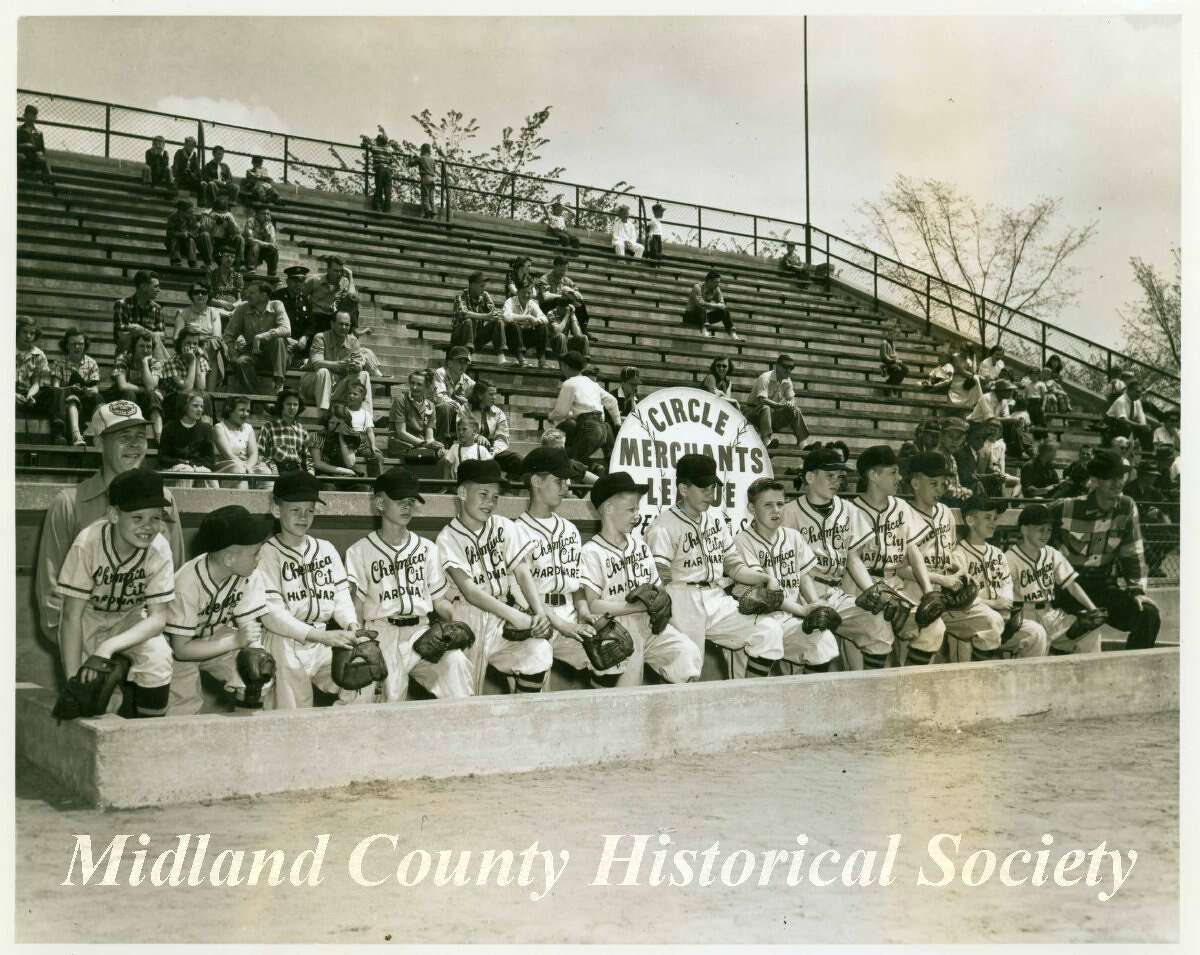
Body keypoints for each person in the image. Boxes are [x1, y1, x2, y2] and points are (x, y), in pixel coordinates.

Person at [36, 402, 186, 642]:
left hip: (146, 634)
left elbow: (176, 573)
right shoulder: (68, 503)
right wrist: (76, 647)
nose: (135, 444)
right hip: (85, 636)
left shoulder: (165, 498)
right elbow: (52, 591)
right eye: (124, 437)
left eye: (140, 436)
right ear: (98, 443)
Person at [645, 454, 784, 677]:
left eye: (713, 487)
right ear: (683, 489)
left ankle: (748, 695)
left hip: (715, 596)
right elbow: (659, 577)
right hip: (682, 598)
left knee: (768, 631)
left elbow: (734, 567)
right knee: (687, 668)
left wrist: (766, 578)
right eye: (704, 488)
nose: (710, 494)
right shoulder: (663, 526)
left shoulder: (715, 519)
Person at [54, 468, 176, 718]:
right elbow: (71, 616)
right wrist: (73, 682)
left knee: (159, 656)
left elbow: (157, 619)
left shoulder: (159, 548)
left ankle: (149, 735)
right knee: (90, 699)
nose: (148, 527)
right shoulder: (87, 543)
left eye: (156, 518)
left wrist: (108, 647)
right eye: (137, 517)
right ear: (113, 514)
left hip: (130, 619)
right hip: (88, 620)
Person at [345, 469, 473, 702]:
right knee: (390, 702)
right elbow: (356, 606)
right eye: (400, 500)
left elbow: (438, 600)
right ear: (380, 504)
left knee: (455, 664)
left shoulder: (427, 549)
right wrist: (359, 641)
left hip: (422, 632)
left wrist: (454, 619)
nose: (407, 506)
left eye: (411, 501)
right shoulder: (358, 551)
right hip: (382, 633)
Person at [435, 459, 554, 694]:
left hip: (500, 618)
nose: (490, 502)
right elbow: (471, 592)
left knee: (537, 651)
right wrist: (515, 615)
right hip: (467, 619)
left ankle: (520, 717)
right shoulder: (447, 538)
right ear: (461, 492)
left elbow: (521, 570)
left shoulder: (503, 526)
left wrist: (538, 611)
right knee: (469, 696)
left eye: (495, 497)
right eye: (483, 494)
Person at [577, 472, 703, 686]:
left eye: (637, 508)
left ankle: (670, 715)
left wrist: (665, 607)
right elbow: (593, 604)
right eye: (631, 509)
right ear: (608, 509)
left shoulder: (640, 546)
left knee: (687, 653)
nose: (637, 515)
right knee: (629, 692)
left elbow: (657, 589)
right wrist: (634, 607)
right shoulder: (591, 551)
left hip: (650, 625)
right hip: (617, 630)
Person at [258, 471, 366, 709]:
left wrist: (352, 625)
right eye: (295, 510)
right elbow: (272, 616)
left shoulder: (325, 549)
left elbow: (340, 596)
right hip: (285, 642)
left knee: (360, 683)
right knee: (294, 715)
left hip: (324, 639)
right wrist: (324, 636)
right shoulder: (267, 553)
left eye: (309, 510)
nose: (303, 517)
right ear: (277, 509)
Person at [164, 504, 277, 715]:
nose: (258, 558)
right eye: (254, 553)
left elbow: (248, 627)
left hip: (215, 635)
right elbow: (181, 649)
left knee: (254, 671)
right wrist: (234, 641)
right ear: (229, 559)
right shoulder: (186, 584)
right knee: (184, 706)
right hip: (174, 645)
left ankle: (247, 732)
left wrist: (255, 653)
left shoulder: (248, 574)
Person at [1048, 450, 1160, 650]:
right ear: (1095, 480)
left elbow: (1133, 553)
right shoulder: (1065, 509)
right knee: (1082, 626)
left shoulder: (1126, 507)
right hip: (1068, 589)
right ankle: (1057, 651)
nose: (1117, 483)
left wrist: (1137, 590)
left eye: (1121, 477)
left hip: (1103, 585)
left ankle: (1135, 672)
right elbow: (1033, 530)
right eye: (1110, 478)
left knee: (1148, 613)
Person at [509, 447, 603, 686]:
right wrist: (563, 625)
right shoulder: (514, 531)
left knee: (610, 654)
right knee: (537, 681)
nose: (566, 487)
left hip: (569, 613)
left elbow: (578, 583)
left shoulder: (570, 529)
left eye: (567, 481)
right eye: (559, 481)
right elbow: (521, 593)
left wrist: (583, 613)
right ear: (536, 481)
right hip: (535, 617)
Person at [844, 446, 944, 668]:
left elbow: (912, 549)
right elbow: (852, 559)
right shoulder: (850, 510)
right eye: (893, 472)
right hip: (860, 586)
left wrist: (928, 592)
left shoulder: (900, 506)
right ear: (873, 475)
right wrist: (874, 593)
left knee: (933, 626)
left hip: (894, 583)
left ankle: (909, 685)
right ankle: (871, 691)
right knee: (876, 634)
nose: (899, 478)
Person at [901, 450, 1003, 664]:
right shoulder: (902, 515)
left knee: (992, 623)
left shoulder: (945, 512)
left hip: (949, 595)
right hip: (915, 596)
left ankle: (974, 686)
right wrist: (939, 579)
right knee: (932, 633)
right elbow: (900, 568)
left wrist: (960, 568)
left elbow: (952, 549)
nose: (939, 489)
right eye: (933, 483)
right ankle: (914, 690)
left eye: (943, 484)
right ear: (916, 483)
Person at [731, 477, 839, 675]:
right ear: (752, 508)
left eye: (780, 504)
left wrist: (815, 605)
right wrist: (804, 610)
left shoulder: (792, 536)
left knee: (823, 642)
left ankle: (806, 703)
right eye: (768, 505)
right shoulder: (742, 541)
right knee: (746, 690)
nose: (776, 510)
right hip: (753, 621)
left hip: (787, 617)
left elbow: (803, 575)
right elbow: (768, 593)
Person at [950, 495, 1047, 661]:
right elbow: (960, 599)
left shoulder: (998, 554)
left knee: (1036, 633)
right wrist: (992, 604)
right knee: (988, 625)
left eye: (995, 518)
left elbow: (1006, 592)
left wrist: (1002, 607)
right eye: (987, 517)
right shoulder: (957, 555)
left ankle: (1019, 684)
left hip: (1001, 620)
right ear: (970, 520)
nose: (994, 522)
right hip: (970, 621)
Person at [1007, 504, 1106, 655]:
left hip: (1051, 615)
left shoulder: (1052, 554)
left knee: (1091, 630)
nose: (1046, 534)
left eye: (1049, 530)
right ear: (1024, 529)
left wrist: (1093, 609)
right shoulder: (1009, 559)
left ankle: (1087, 675)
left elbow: (1072, 585)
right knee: (1036, 638)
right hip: (1024, 616)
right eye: (1041, 529)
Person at [547, 350, 622, 471]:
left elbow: (561, 412)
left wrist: (550, 416)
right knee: (577, 457)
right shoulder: (592, 383)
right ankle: (595, 468)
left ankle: (594, 468)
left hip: (588, 426)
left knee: (572, 461)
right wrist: (617, 423)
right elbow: (612, 401)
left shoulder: (569, 384)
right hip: (604, 428)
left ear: (566, 366)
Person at [300, 310, 375, 424]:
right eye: (341, 324)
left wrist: (357, 366)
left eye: (347, 325)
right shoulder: (321, 337)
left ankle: (366, 419)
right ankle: (324, 417)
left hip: (337, 385)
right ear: (332, 324)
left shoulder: (353, 341)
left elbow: (358, 363)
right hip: (313, 383)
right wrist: (341, 364)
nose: (344, 327)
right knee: (323, 371)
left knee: (364, 374)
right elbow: (317, 363)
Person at [223, 277, 291, 395]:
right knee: (240, 362)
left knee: (279, 340)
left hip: (277, 356)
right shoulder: (242, 309)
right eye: (247, 292)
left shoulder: (277, 305)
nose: (247, 295)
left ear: (264, 295)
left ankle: (279, 384)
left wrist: (261, 336)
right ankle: (256, 395)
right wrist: (233, 354)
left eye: (252, 293)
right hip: (254, 353)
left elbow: (286, 329)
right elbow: (228, 335)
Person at [46, 327, 102, 447]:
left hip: (86, 399)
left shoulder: (91, 363)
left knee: (98, 397)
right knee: (71, 397)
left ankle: (99, 434)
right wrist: (70, 388)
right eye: (73, 344)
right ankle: (76, 435)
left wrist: (88, 390)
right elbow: (55, 387)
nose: (77, 347)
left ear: (85, 344)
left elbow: (95, 388)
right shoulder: (59, 363)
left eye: (80, 344)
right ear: (67, 345)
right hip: (66, 401)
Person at [745, 354, 810, 449]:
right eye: (785, 367)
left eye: (791, 367)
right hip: (753, 414)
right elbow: (762, 400)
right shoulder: (765, 377)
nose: (788, 370)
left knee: (796, 410)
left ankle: (803, 444)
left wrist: (790, 405)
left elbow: (791, 399)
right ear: (777, 366)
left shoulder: (787, 381)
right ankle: (766, 441)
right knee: (765, 407)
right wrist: (779, 405)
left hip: (770, 417)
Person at [109, 330, 164, 439]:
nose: (145, 350)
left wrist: (144, 363)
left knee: (153, 396)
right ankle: (128, 433)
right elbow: (122, 385)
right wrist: (144, 390)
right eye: (141, 346)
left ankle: (159, 437)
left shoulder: (154, 363)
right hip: (124, 400)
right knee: (130, 393)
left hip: (145, 402)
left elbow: (151, 386)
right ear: (134, 347)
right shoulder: (123, 359)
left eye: (149, 347)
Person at [323, 379, 383, 478]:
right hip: (346, 440)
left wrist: (373, 445)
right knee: (343, 454)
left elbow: (369, 431)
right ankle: (355, 472)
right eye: (349, 394)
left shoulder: (365, 414)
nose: (351, 396)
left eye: (355, 394)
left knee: (377, 456)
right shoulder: (343, 410)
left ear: (362, 397)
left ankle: (376, 482)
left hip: (361, 443)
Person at [159, 391, 219, 489]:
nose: (199, 410)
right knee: (186, 471)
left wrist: (196, 465)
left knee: (205, 473)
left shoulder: (206, 429)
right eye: (195, 406)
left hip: (198, 467)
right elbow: (163, 458)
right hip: (174, 468)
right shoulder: (169, 428)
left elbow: (210, 459)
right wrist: (184, 463)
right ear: (185, 406)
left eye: (201, 406)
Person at [173, 282, 226, 390]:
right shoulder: (183, 313)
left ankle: (209, 393)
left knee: (213, 345)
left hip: (210, 350)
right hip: (189, 349)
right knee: (203, 347)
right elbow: (176, 337)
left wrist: (196, 336)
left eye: (204, 292)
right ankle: (203, 390)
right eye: (196, 292)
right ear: (192, 295)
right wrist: (196, 339)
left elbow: (217, 337)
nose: (200, 295)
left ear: (208, 295)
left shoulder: (214, 313)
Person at [467, 380, 525, 479]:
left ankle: (508, 488)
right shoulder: (465, 409)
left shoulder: (499, 413)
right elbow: (461, 430)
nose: (494, 397)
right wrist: (476, 436)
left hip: (492, 451)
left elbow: (502, 437)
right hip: (470, 448)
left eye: (495, 394)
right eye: (491, 394)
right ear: (480, 395)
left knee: (518, 459)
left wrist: (494, 451)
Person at [214, 395, 272, 490]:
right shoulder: (219, 428)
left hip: (246, 465)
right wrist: (245, 468)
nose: (245, 414)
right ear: (230, 410)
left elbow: (254, 454)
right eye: (241, 410)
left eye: (248, 411)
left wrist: (248, 467)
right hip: (227, 465)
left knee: (265, 472)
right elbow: (228, 454)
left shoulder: (248, 428)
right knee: (239, 471)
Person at [159, 326, 213, 423]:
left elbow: (201, 387)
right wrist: (192, 362)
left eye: (195, 344)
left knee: (205, 396)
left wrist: (196, 361)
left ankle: (207, 428)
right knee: (185, 397)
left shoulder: (201, 360)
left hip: (195, 400)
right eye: (188, 343)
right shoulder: (173, 362)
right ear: (180, 344)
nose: (192, 346)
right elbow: (186, 389)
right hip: (174, 401)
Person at [257, 388, 315, 476]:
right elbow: (260, 453)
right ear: (282, 405)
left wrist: (311, 473)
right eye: (288, 404)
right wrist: (272, 467)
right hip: (278, 469)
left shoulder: (301, 430)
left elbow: (307, 457)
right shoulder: (269, 427)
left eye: (295, 404)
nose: (292, 407)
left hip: (297, 471)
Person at [451, 271, 507, 359]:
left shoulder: (484, 295)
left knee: (498, 322)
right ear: (472, 285)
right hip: (459, 338)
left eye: (484, 286)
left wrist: (496, 316)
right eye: (481, 286)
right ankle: (467, 355)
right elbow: (464, 313)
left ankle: (501, 357)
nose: (483, 289)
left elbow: (493, 312)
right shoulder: (461, 295)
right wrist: (486, 316)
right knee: (468, 320)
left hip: (476, 337)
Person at [112, 269, 166, 357]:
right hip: (126, 355)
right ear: (143, 286)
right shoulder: (122, 305)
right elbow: (121, 337)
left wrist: (142, 330)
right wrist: (151, 334)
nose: (158, 290)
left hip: (150, 355)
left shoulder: (157, 308)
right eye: (155, 286)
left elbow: (162, 338)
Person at [389, 371, 443, 459]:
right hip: (400, 445)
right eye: (412, 383)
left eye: (419, 384)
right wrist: (424, 444)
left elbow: (429, 436)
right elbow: (401, 432)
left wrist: (433, 444)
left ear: (426, 387)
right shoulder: (401, 401)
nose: (414, 387)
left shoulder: (430, 405)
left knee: (443, 454)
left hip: (421, 446)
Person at [304, 255, 360, 338]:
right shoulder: (315, 280)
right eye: (335, 271)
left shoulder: (345, 282)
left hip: (334, 318)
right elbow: (301, 296)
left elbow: (353, 298)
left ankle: (354, 331)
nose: (339, 274)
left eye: (341, 271)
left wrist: (350, 276)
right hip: (317, 317)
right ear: (328, 269)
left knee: (352, 304)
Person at [535, 255, 590, 338]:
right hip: (547, 307)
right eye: (561, 270)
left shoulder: (567, 280)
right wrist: (562, 295)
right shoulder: (545, 278)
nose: (563, 273)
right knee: (560, 299)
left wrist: (571, 291)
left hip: (562, 307)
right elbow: (545, 296)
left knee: (581, 304)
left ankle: (583, 329)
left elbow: (579, 297)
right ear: (555, 266)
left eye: (565, 270)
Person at [430, 345, 476, 443]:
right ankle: (441, 441)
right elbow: (439, 397)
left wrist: (466, 402)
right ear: (450, 363)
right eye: (460, 362)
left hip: (455, 415)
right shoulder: (440, 373)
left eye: (466, 363)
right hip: (433, 413)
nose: (463, 366)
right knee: (445, 406)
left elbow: (475, 403)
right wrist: (458, 404)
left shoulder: (469, 382)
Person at [503, 276, 552, 368]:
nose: (526, 295)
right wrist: (528, 317)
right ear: (517, 292)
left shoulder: (532, 303)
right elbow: (507, 317)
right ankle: (522, 360)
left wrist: (537, 321)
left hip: (526, 337)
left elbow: (544, 319)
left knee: (543, 327)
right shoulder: (510, 301)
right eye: (523, 293)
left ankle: (542, 361)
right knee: (513, 326)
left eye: (529, 293)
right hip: (512, 338)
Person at [15, 315, 53, 426]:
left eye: (32, 333)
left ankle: (58, 431)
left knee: (53, 392)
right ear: (17, 331)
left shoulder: (38, 355)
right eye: (24, 332)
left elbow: (36, 383)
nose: (28, 336)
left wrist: (30, 395)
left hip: (27, 392)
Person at [274, 265, 314, 365]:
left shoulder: (306, 301)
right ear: (287, 282)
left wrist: (305, 337)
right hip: (282, 341)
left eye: (301, 282)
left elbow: (311, 324)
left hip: (299, 344)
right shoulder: (277, 297)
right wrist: (287, 339)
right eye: (295, 281)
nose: (298, 285)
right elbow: (271, 321)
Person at [683, 270, 738, 339]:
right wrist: (715, 305)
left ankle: (732, 334)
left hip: (703, 317)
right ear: (709, 281)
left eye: (718, 282)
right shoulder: (697, 287)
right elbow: (700, 303)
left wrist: (719, 306)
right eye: (716, 282)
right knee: (701, 308)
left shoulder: (716, 289)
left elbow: (722, 304)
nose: (718, 284)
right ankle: (704, 332)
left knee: (724, 311)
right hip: (690, 316)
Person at [438, 414, 493, 480]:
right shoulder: (455, 448)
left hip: (476, 486)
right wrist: (445, 485)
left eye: (464, 429)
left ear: (474, 432)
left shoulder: (481, 450)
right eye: (458, 430)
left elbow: (490, 467)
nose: (460, 432)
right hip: (460, 486)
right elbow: (447, 466)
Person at [1105, 380, 1153, 451]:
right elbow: (1122, 419)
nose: (1139, 395)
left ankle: (1147, 456)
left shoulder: (1137, 401)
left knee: (1147, 431)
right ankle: (1123, 449)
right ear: (1129, 390)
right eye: (1137, 392)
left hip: (1127, 423)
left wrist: (1144, 425)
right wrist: (1138, 425)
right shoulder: (1121, 401)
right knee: (1125, 427)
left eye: (1140, 393)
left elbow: (1141, 415)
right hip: (1112, 424)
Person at [165, 198, 211, 269]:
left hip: (187, 243)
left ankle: (192, 262)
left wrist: (190, 233)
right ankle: (176, 261)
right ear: (181, 211)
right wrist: (181, 234)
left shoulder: (192, 218)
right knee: (174, 239)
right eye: (189, 212)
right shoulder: (172, 217)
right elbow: (169, 233)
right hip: (175, 243)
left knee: (192, 240)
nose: (192, 213)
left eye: (192, 211)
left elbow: (195, 231)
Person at [202, 195, 245, 268]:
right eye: (219, 212)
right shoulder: (207, 213)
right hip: (211, 243)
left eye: (223, 212)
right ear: (214, 209)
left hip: (222, 246)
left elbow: (237, 232)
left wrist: (230, 223)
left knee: (239, 238)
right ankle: (208, 262)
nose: (221, 215)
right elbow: (203, 229)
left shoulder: (228, 215)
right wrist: (213, 221)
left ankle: (239, 264)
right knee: (205, 234)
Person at [17, 104, 53, 184]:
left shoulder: (38, 133)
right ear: (24, 116)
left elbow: (42, 149)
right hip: (22, 158)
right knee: (20, 159)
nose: (31, 118)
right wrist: (24, 146)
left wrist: (40, 153)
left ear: (35, 118)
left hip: (34, 159)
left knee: (43, 162)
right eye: (29, 116)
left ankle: (51, 187)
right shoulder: (18, 130)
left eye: (33, 116)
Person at [243, 204, 280, 277]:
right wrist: (266, 244)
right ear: (256, 214)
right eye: (263, 214)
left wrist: (267, 232)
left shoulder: (270, 225)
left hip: (262, 249)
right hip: (248, 249)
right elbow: (250, 239)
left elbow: (272, 242)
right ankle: (251, 270)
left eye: (268, 214)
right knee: (255, 245)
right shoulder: (251, 221)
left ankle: (272, 273)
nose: (266, 216)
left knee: (274, 250)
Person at [207, 245, 245, 312]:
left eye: (232, 257)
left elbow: (239, 299)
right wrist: (223, 304)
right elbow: (208, 298)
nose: (229, 259)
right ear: (220, 258)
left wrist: (234, 306)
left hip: (233, 308)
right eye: (226, 256)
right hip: (216, 307)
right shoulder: (211, 274)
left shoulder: (237, 276)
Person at [370, 133, 394, 213]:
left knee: (379, 187)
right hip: (388, 170)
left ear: (379, 141)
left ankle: (378, 206)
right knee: (388, 189)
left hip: (380, 169)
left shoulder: (375, 148)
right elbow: (391, 156)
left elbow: (370, 147)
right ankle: (387, 208)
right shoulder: (389, 149)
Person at [412, 143, 437, 219]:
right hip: (432, 179)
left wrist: (413, 158)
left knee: (425, 196)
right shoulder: (432, 159)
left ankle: (428, 210)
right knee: (431, 197)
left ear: (422, 150)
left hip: (425, 178)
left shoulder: (421, 158)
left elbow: (411, 164)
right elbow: (434, 169)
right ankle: (434, 210)